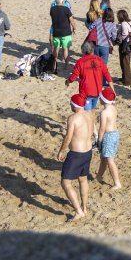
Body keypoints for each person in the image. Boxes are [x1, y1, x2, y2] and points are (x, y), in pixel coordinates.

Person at [57, 93, 94, 221]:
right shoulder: (90, 114)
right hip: (88, 152)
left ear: (74, 105)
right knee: (83, 180)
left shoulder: (73, 118)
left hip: (76, 154)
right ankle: (84, 207)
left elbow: (68, 137)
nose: (70, 105)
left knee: (65, 182)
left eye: (71, 103)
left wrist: (62, 151)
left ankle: (79, 211)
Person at [66, 41, 113, 110]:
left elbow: (73, 77)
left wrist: (67, 81)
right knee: (92, 109)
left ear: (83, 51)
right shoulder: (99, 60)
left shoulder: (80, 62)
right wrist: (112, 89)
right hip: (97, 91)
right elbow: (107, 75)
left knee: (87, 112)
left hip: (86, 92)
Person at [94, 87, 123, 190]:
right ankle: (99, 176)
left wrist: (99, 141)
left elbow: (102, 129)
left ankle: (117, 183)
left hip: (108, 136)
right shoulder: (113, 108)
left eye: (100, 97)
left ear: (103, 99)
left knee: (110, 159)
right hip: (115, 134)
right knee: (104, 157)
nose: (99, 99)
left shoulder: (104, 112)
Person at [49, 0, 76, 74]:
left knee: (55, 49)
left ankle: (54, 64)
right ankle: (66, 65)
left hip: (56, 32)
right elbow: (71, 20)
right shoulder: (66, 9)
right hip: (65, 32)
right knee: (65, 49)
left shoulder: (52, 9)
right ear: (63, 1)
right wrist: (74, 28)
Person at [116, 8, 131, 86]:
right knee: (125, 62)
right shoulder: (129, 22)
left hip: (125, 45)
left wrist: (118, 38)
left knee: (125, 63)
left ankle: (127, 81)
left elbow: (124, 35)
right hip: (129, 44)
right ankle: (124, 78)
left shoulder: (123, 24)